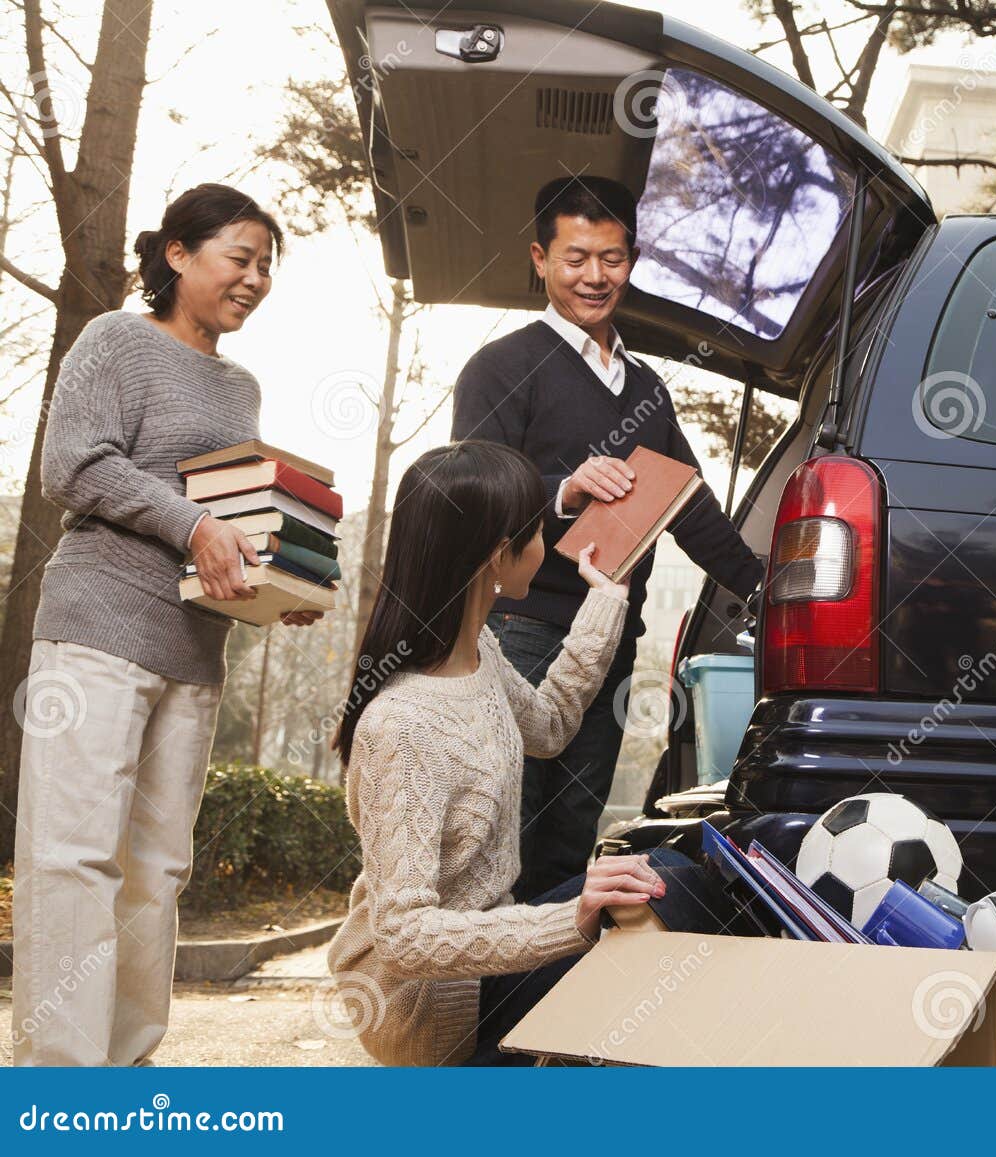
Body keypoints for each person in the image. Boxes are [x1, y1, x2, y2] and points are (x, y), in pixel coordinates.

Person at [12, 183, 322, 1066]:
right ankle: (59, 1086)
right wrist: (193, 526)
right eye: (240, 257)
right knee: (74, 858)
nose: (256, 278)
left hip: (193, 649)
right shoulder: (113, 339)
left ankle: (127, 1066)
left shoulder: (239, 386)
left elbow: (228, 518)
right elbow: (73, 466)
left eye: (267, 265)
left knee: (156, 871)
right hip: (98, 628)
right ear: (178, 254)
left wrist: (280, 587)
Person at [326, 440, 729, 1067]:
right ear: (499, 557)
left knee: (671, 874)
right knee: (667, 898)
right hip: (430, 1005)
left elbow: (550, 727)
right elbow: (403, 937)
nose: (550, 545)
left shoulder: (478, 650)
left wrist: (605, 598)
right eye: (538, 530)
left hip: (489, 940)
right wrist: (571, 918)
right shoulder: (401, 728)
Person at [450, 176, 764, 902]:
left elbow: (691, 510)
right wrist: (564, 487)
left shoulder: (649, 391)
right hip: (519, 634)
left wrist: (764, 589)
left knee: (570, 842)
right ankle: (485, 1013)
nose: (595, 276)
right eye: (576, 257)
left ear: (633, 259)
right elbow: (469, 493)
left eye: (612, 258)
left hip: (612, 642)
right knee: (505, 833)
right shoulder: (499, 368)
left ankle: (549, 1007)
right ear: (539, 258)